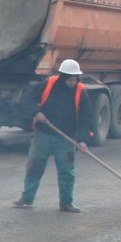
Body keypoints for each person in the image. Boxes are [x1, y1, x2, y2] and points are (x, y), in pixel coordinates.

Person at [15, 59, 92, 213]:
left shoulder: (81, 91)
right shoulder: (48, 84)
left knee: (66, 171)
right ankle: (27, 198)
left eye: (75, 79)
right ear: (62, 77)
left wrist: (83, 140)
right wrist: (36, 112)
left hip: (66, 138)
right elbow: (28, 98)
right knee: (35, 166)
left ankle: (66, 202)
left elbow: (86, 118)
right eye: (69, 79)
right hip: (43, 134)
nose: (72, 82)